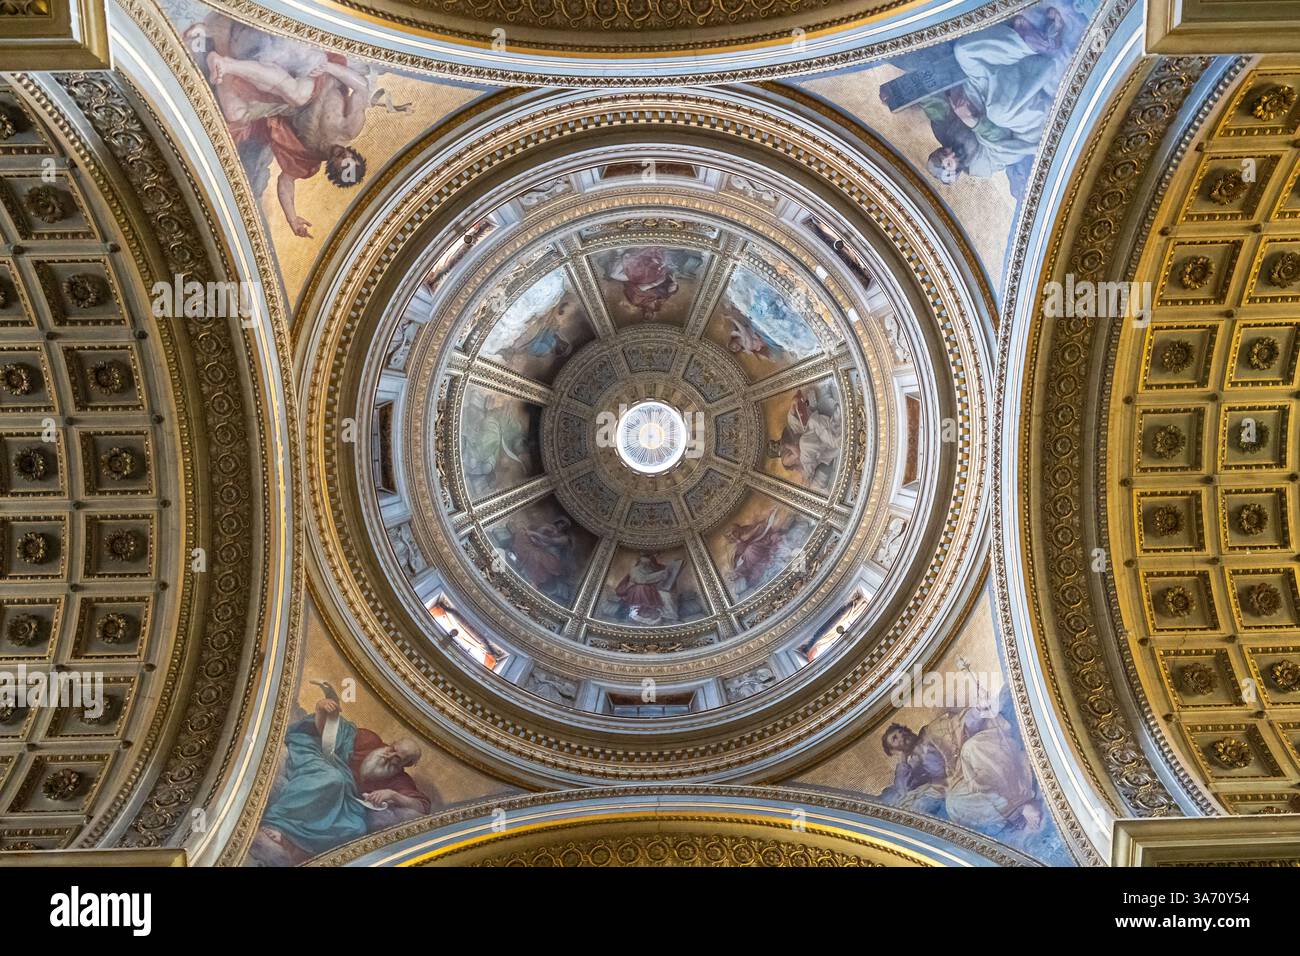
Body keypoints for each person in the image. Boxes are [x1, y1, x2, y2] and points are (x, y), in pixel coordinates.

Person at [251, 698, 430, 865]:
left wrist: (393, 795)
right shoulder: (369, 740)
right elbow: (329, 738)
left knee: (356, 827)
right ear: (391, 743)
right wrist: (322, 711)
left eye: (398, 759)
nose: (389, 756)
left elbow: (421, 806)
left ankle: (291, 845)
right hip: (321, 759)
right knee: (332, 779)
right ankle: (276, 823)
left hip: (344, 800)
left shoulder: (398, 779)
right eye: (392, 749)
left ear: (407, 764)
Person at [615, 553, 679, 624]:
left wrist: (669, 570)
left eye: (650, 562)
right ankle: (648, 616)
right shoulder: (635, 570)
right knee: (641, 590)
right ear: (640, 561)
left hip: (653, 591)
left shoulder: (656, 569)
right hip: (639, 592)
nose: (649, 564)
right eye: (646, 563)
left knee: (666, 596)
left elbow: (658, 580)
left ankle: (669, 618)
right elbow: (642, 579)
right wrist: (660, 574)